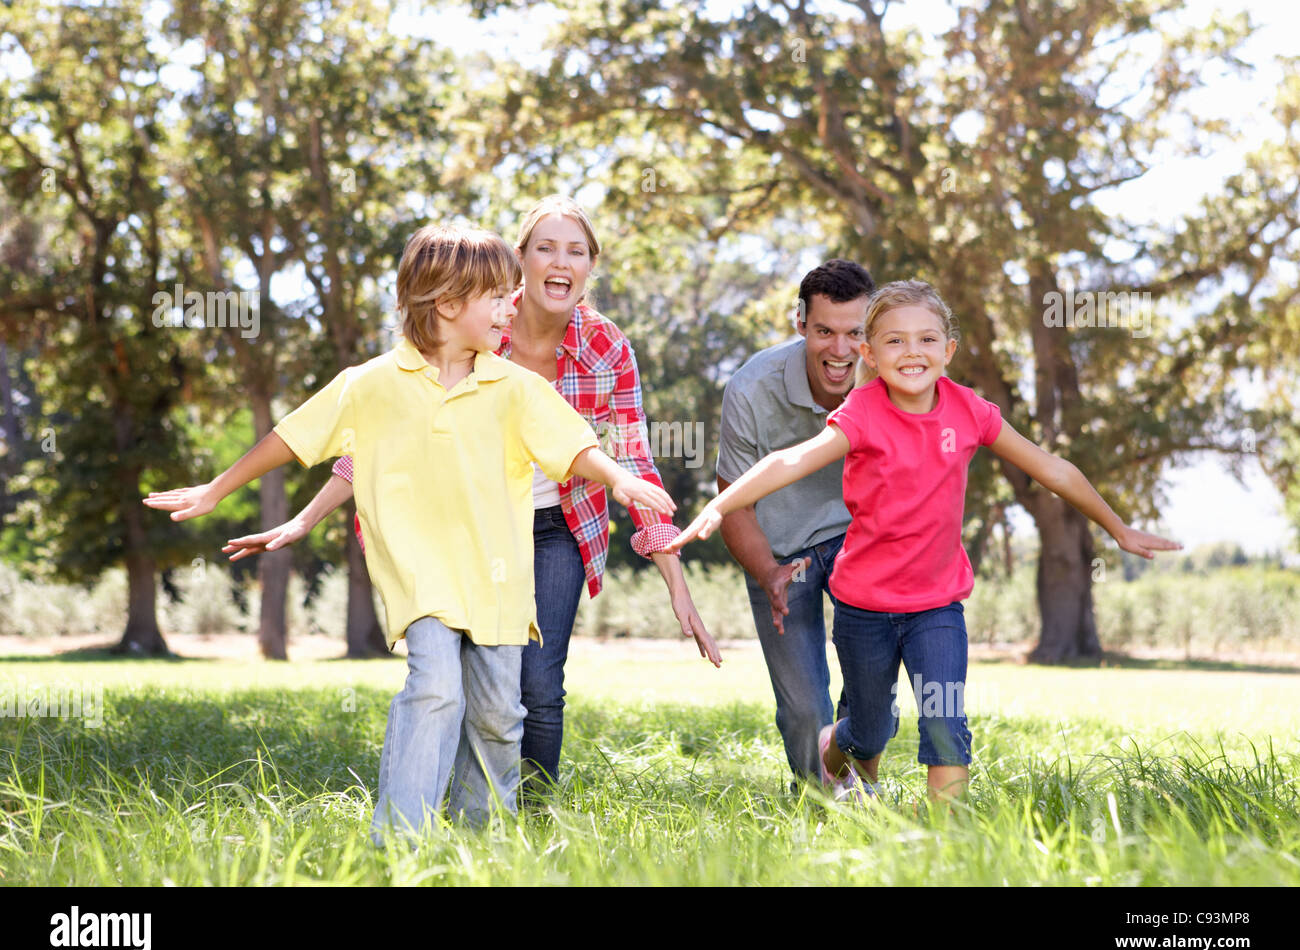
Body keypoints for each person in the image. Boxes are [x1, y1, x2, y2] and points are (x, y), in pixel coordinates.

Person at [144, 224, 676, 838]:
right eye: (498, 296)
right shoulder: (370, 384)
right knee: (435, 689)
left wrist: (618, 480)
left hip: (500, 585)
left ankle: (481, 839)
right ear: (449, 305)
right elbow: (291, 439)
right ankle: (402, 839)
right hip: (421, 577)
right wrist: (217, 489)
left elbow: (574, 443)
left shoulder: (516, 387)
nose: (512, 306)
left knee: (501, 715)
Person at [670, 279, 1181, 802]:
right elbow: (791, 460)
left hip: (937, 607)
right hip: (863, 609)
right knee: (869, 731)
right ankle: (837, 746)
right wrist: (719, 504)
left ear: (948, 350)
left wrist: (1117, 527)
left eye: (927, 339)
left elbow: (1052, 469)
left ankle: (947, 854)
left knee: (945, 729)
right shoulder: (862, 411)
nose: (912, 352)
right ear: (870, 353)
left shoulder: (970, 411)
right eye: (894, 341)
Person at [714, 259, 874, 781]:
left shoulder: (890, 379)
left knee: (872, 692)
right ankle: (826, 804)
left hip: (863, 544)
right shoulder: (750, 389)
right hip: (780, 550)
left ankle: (857, 792)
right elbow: (734, 502)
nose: (840, 349)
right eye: (825, 331)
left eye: (855, 333)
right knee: (805, 710)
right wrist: (767, 570)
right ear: (800, 321)